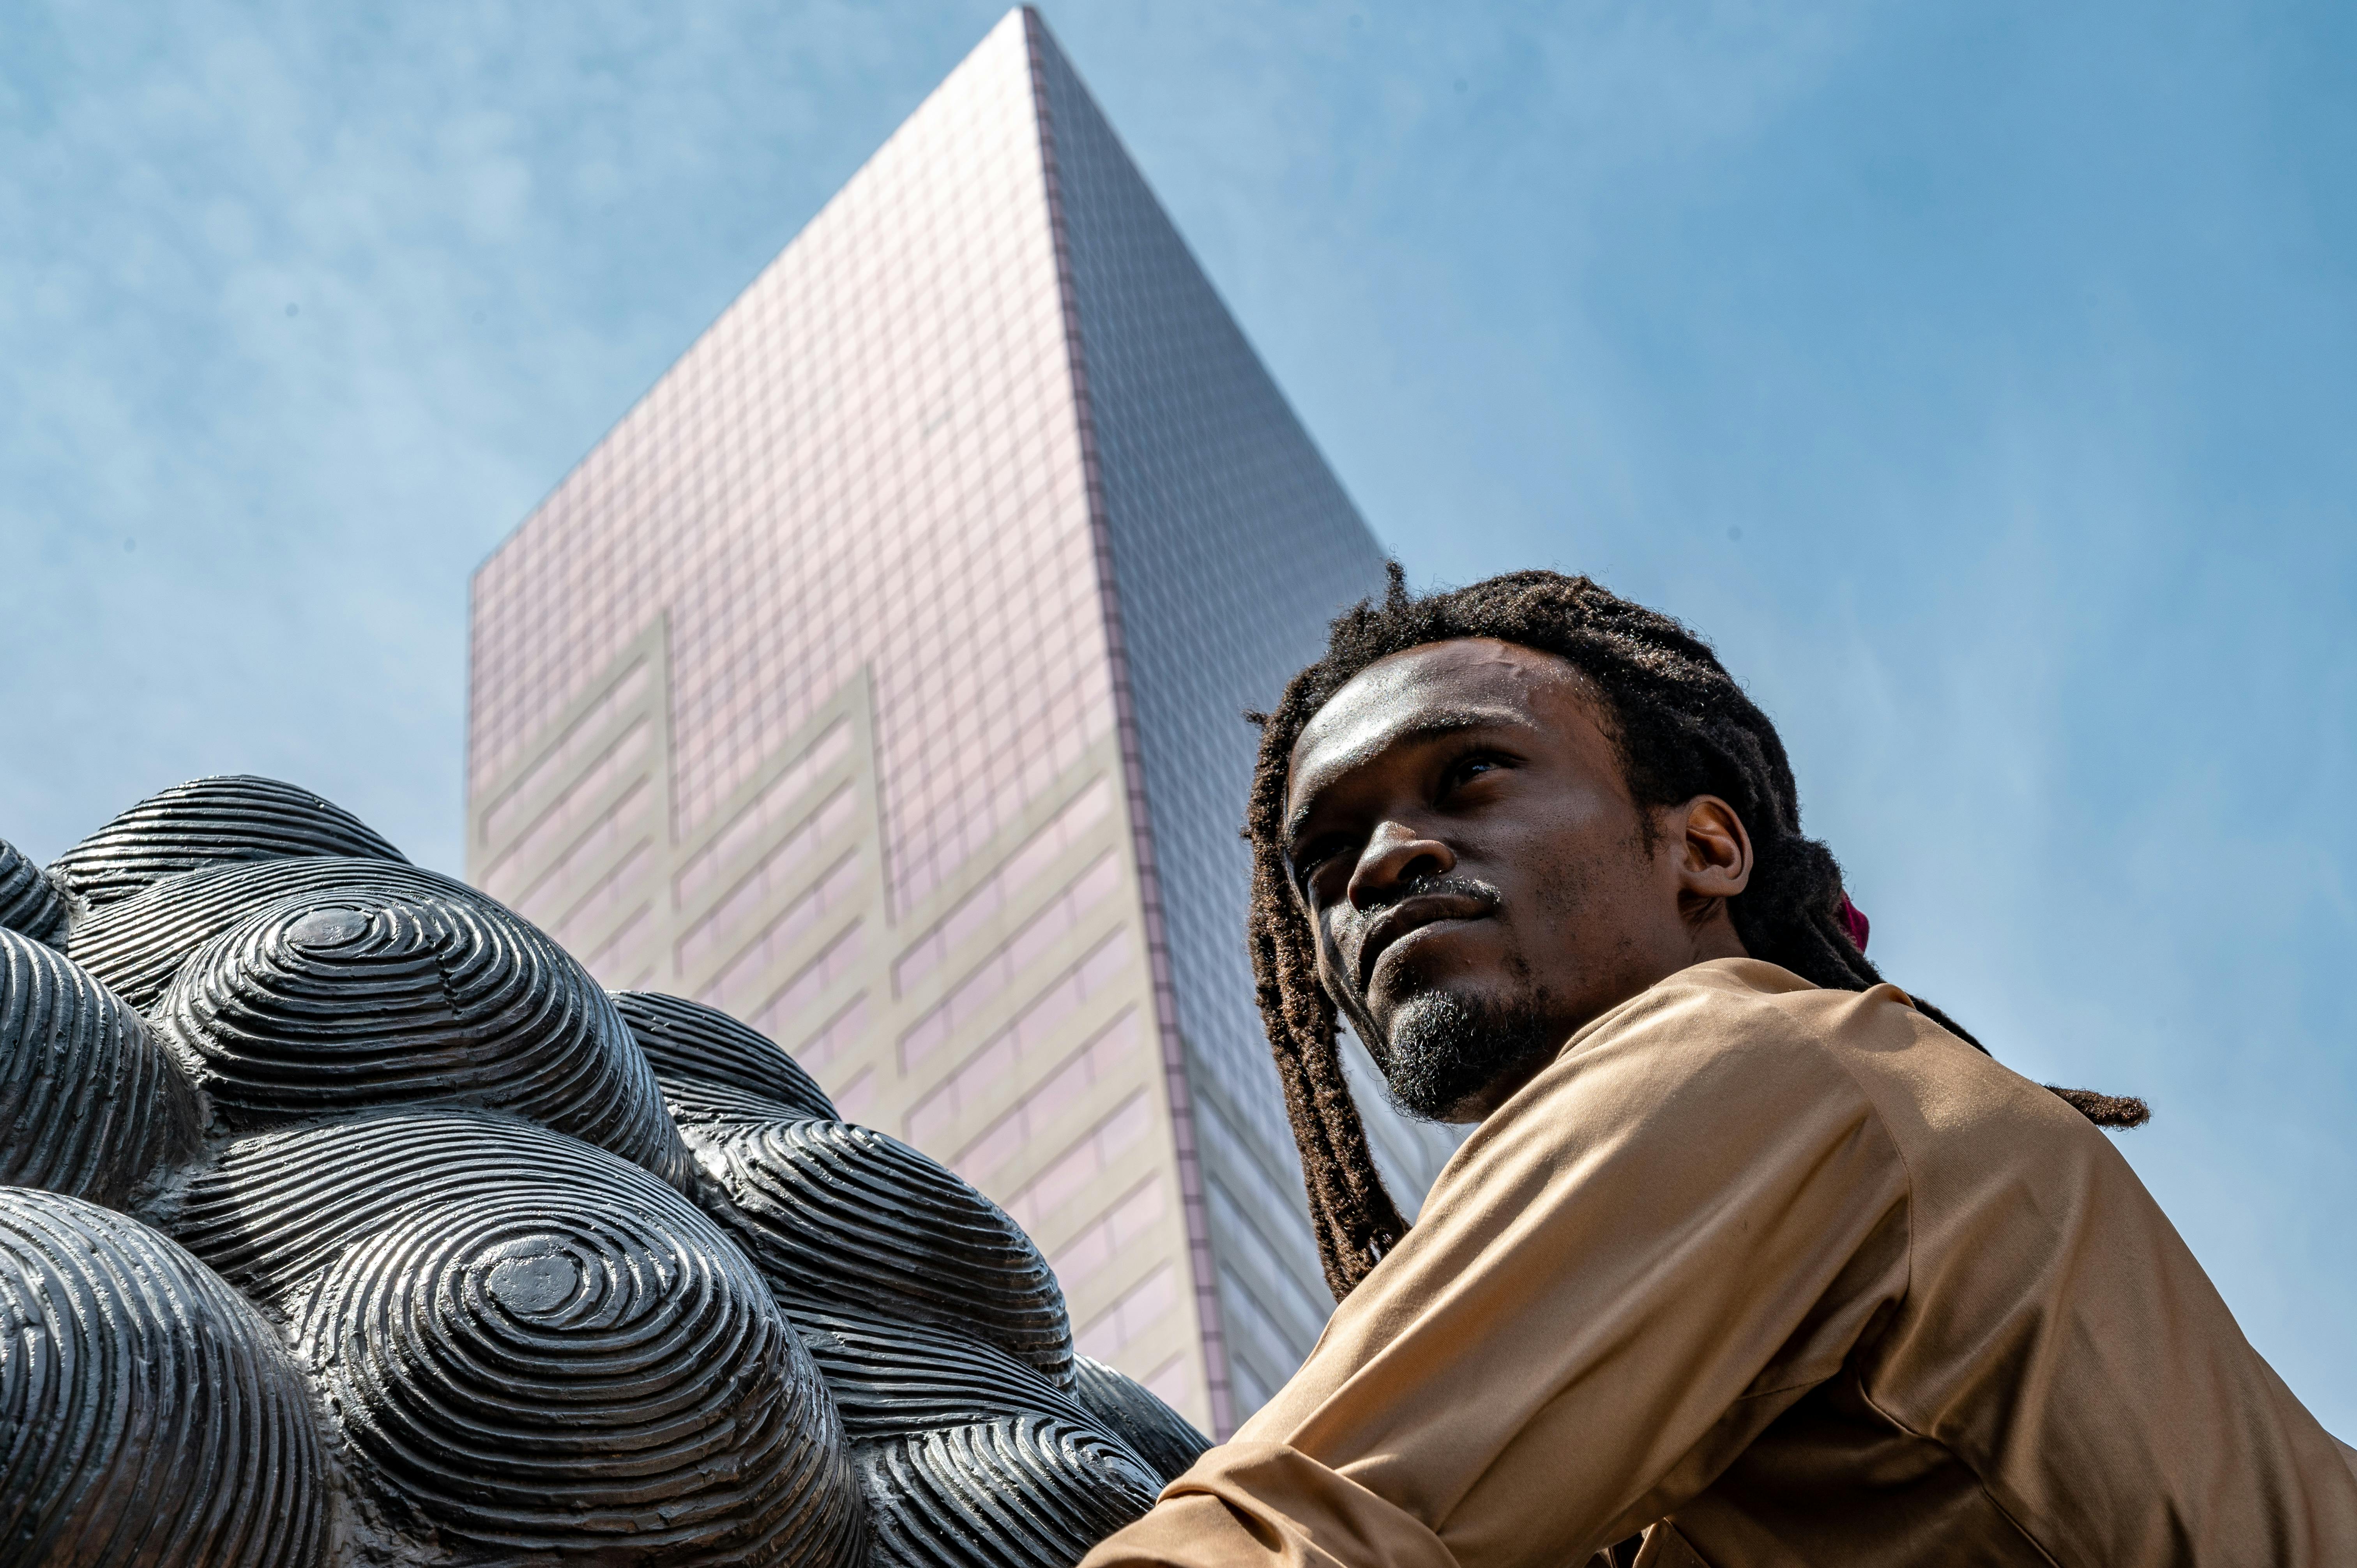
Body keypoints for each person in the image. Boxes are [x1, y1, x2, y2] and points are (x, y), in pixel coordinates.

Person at [1082, 569, 2357, 1567]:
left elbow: (1312, 1531)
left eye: (1469, 775)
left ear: (1707, 849)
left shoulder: (1748, 1059)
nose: (1379, 866)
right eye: (1326, 860)